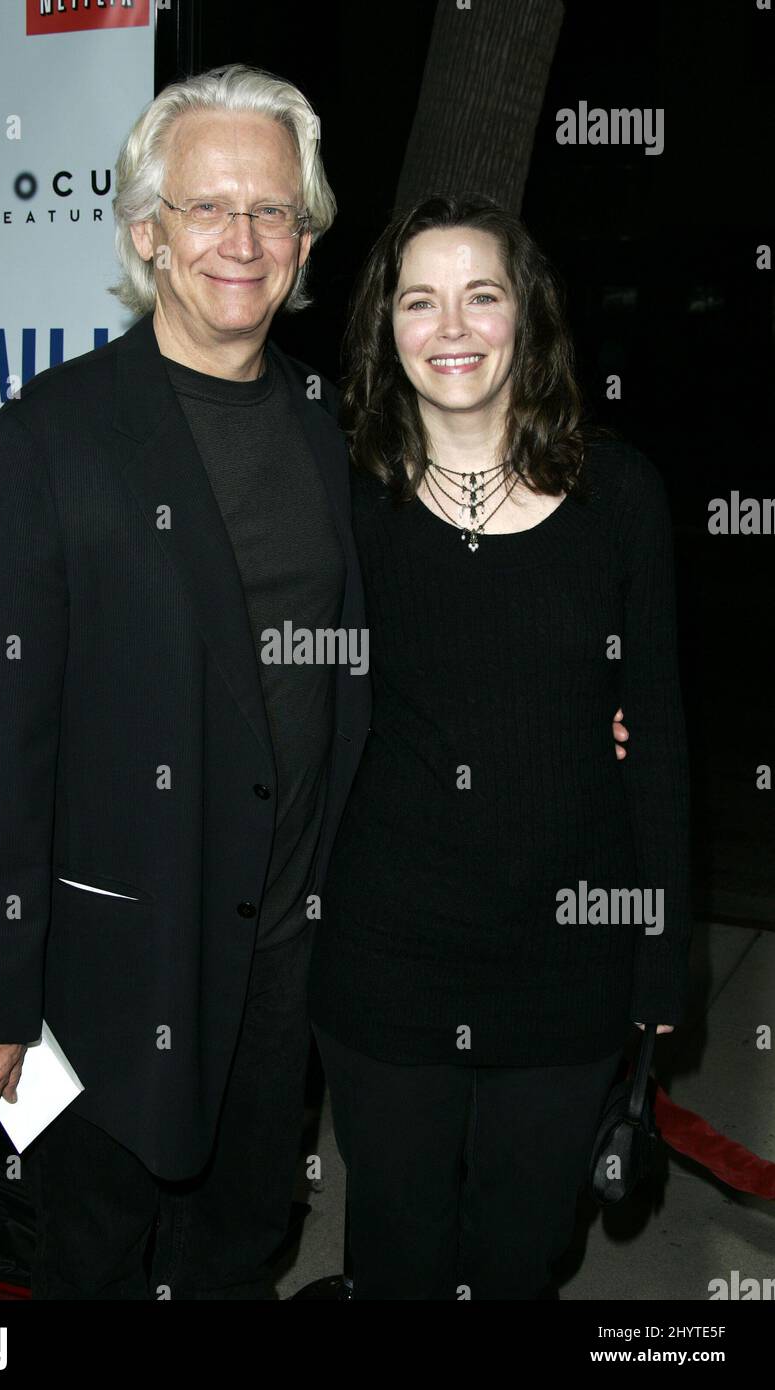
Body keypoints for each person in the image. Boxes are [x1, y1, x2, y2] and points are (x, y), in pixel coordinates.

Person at [0, 67, 629, 1300]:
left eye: (273, 212)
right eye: (207, 209)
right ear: (147, 232)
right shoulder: (43, 445)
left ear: (305, 238)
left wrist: (573, 707)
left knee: (241, 1249)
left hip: (292, 962)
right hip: (111, 968)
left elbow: (424, 616)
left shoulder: (332, 423)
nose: (242, 242)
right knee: (97, 1257)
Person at [307, 193, 690, 1300]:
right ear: (387, 329)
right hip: (387, 958)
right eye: (419, 301)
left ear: (528, 316)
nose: (453, 326)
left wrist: (661, 952)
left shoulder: (621, 496)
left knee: (522, 1257)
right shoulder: (346, 498)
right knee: (396, 1255)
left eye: (482, 294)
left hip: (567, 962)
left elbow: (656, 736)